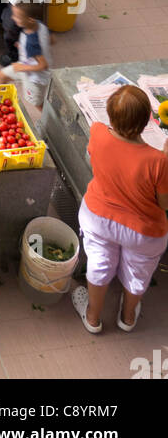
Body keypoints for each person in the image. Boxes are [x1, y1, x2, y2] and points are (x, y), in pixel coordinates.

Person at [71, 84, 168, 335]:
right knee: (139, 271)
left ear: (110, 116)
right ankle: (127, 317)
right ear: (148, 121)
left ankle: (93, 317)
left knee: (99, 262)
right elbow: (164, 204)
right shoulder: (158, 162)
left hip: (98, 219)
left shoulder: (97, 132)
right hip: (143, 231)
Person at [0, 1, 52, 110]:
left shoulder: (31, 44)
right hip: (26, 65)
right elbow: (51, 39)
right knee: (2, 75)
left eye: (17, 17)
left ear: (30, 20)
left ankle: (49, 120)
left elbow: (42, 65)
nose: (13, 18)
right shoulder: (40, 25)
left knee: (37, 104)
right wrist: (23, 47)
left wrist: (22, 67)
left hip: (35, 78)